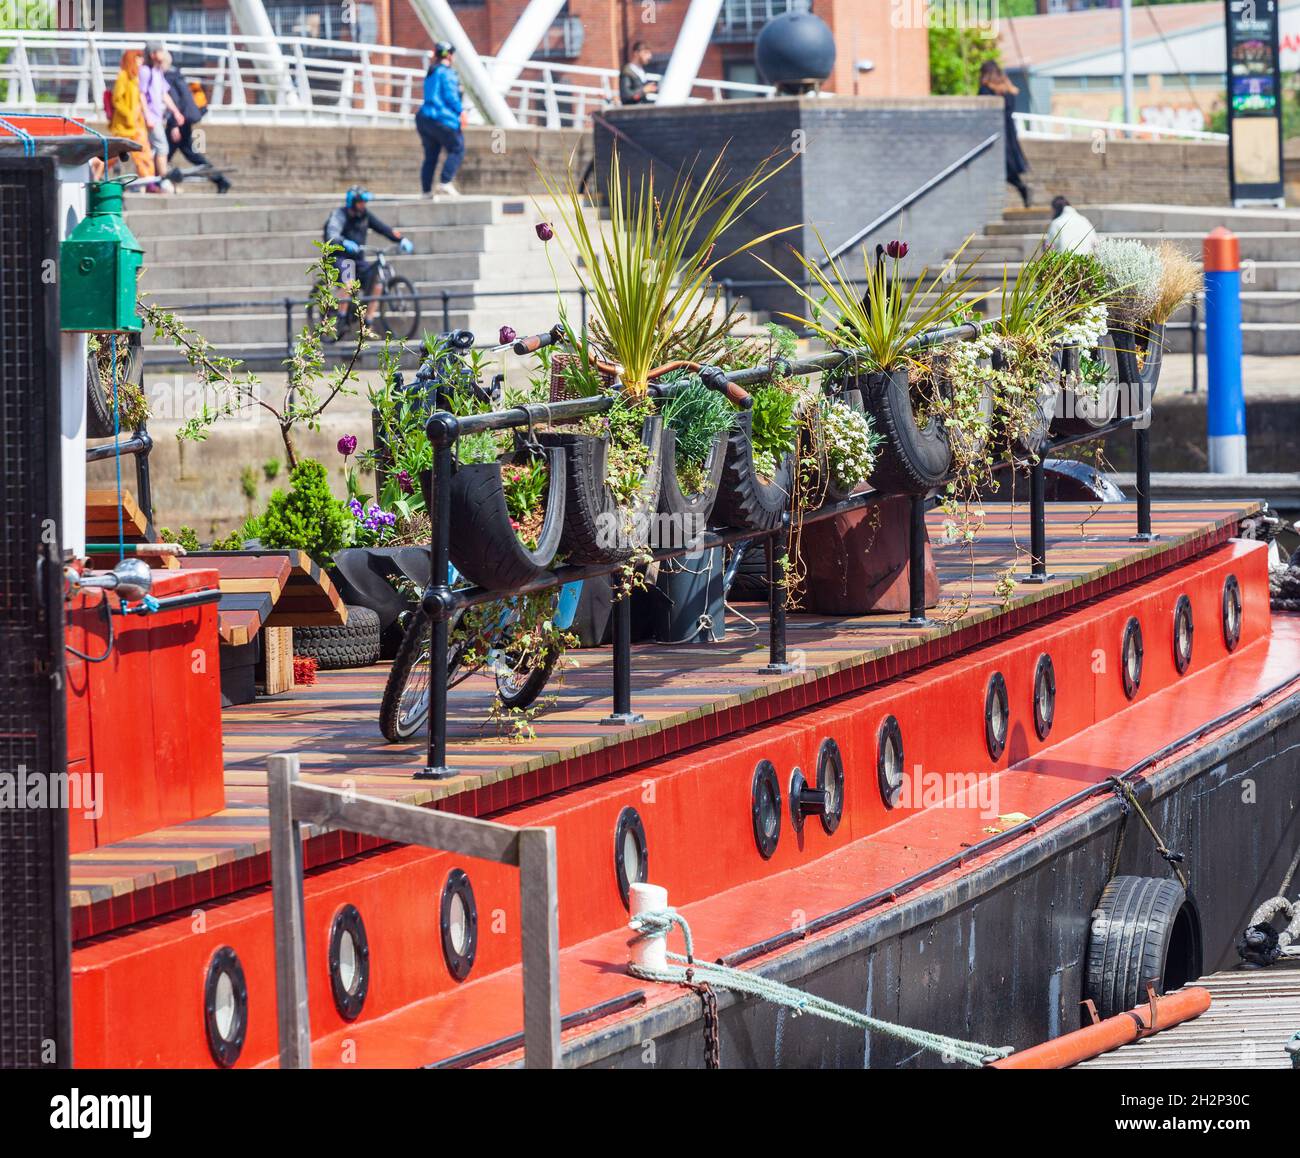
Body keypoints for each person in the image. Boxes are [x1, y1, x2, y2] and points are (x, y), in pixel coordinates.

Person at [322, 186, 414, 330]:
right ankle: (341, 316)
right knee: (349, 282)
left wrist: (400, 239)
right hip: (340, 257)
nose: (363, 205)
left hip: (358, 259)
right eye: (360, 202)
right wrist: (343, 242)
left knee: (377, 282)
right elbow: (331, 233)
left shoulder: (365, 215)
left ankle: (368, 320)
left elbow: (383, 228)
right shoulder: (340, 214)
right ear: (352, 202)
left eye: (364, 203)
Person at [162, 50, 232, 194]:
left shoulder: (168, 78)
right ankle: (220, 180)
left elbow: (177, 102)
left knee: (163, 155)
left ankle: (156, 184)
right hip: (183, 123)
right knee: (187, 155)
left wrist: (174, 125)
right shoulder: (176, 76)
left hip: (178, 124)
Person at [979, 60, 1031, 208]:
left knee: (1001, 167)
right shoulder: (1008, 90)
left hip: (996, 133)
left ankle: (1020, 188)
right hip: (1009, 132)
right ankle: (1021, 188)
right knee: (1006, 167)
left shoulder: (986, 90)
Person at [416, 42, 465, 198]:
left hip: (424, 117)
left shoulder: (431, 71)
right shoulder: (447, 72)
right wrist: (461, 111)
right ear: (449, 55)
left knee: (431, 154)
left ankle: (426, 191)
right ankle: (445, 182)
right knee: (457, 147)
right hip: (441, 117)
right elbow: (450, 95)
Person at [140, 40, 185, 192]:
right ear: (153, 54)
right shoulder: (145, 71)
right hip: (150, 118)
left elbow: (164, 93)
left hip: (157, 117)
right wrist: (147, 117)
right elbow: (141, 94)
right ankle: (164, 180)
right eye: (160, 51)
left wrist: (176, 111)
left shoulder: (157, 71)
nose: (163, 54)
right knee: (162, 147)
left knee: (152, 150)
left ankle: (151, 182)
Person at [106, 49, 155, 183]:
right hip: (123, 125)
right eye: (138, 58)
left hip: (137, 125)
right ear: (131, 60)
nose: (141, 60)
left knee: (144, 153)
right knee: (112, 155)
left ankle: (149, 182)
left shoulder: (136, 77)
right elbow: (117, 99)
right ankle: (94, 174)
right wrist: (128, 115)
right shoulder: (123, 76)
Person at [619, 41, 656, 105]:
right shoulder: (627, 71)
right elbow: (625, 96)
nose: (649, 56)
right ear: (636, 53)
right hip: (632, 112)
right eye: (645, 52)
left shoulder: (642, 71)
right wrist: (644, 90)